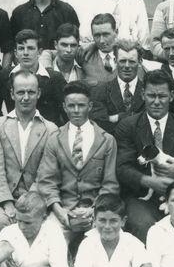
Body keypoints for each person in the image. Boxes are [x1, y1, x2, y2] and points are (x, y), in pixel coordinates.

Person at [113, 69, 174, 240]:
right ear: (143, 95)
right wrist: (150, 182)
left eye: (162, 96)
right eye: (151, 96)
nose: (157, 102)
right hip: (140, 198)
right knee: (145, 226)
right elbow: (122, 168)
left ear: (172, 96)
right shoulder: (127, 126)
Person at [36, 81, 120, 245]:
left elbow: (110, 184)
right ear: (64, 107)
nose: (76, 110)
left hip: (97, 211)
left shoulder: (107, 140)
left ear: (90, 106)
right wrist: (60, 212)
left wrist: (93, 210)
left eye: (81, 105)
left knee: (103, 247)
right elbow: (47, 181)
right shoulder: (54, 139)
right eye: (71, 105)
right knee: (49, 245)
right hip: (63, 210)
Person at [0, 69, 58, 232]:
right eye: (20, 92)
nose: (25, 97)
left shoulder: (50, 129)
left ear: (38, 93)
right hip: (1, 199)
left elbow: (46, 173)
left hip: (37, 198)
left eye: (31, 92)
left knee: (43, 227)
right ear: (12, 94)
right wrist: (8, 203)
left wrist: (29, 203)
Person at [70, 195, 157, 267]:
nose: (107, 226)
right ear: (94, 220)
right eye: (102, 220)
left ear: (123, 221)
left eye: (113, 221)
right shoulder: (88, 243)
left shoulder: (132, 242)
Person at [0, 191, 72, 267]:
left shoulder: (53, 231)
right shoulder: (7, 232)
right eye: (18, 220)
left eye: (28, 223)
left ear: (43, 218)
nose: (22, 227)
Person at [0, 30, 66, 126]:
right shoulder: (5, 75)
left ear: (39, 52)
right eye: (21, 48)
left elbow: (66, 113)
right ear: (16, 53)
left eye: (30, 48)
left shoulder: (55, 79)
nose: (25, 53)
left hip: (48, 135)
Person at [89, 39, 146, 134]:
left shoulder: (147, 91)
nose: (127, 66)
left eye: (131, 61)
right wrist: (124, 116)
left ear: (140, 62)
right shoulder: (100, 90)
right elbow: (99, 124)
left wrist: (114, 118)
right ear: (115, 61)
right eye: (123, 61)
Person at [75, 13, 120, 89]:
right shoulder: (84, 54)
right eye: (97, 35)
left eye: (106, 34)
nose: (101, 41)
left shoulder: (127, 53)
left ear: (116, 32)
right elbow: (57, 52)